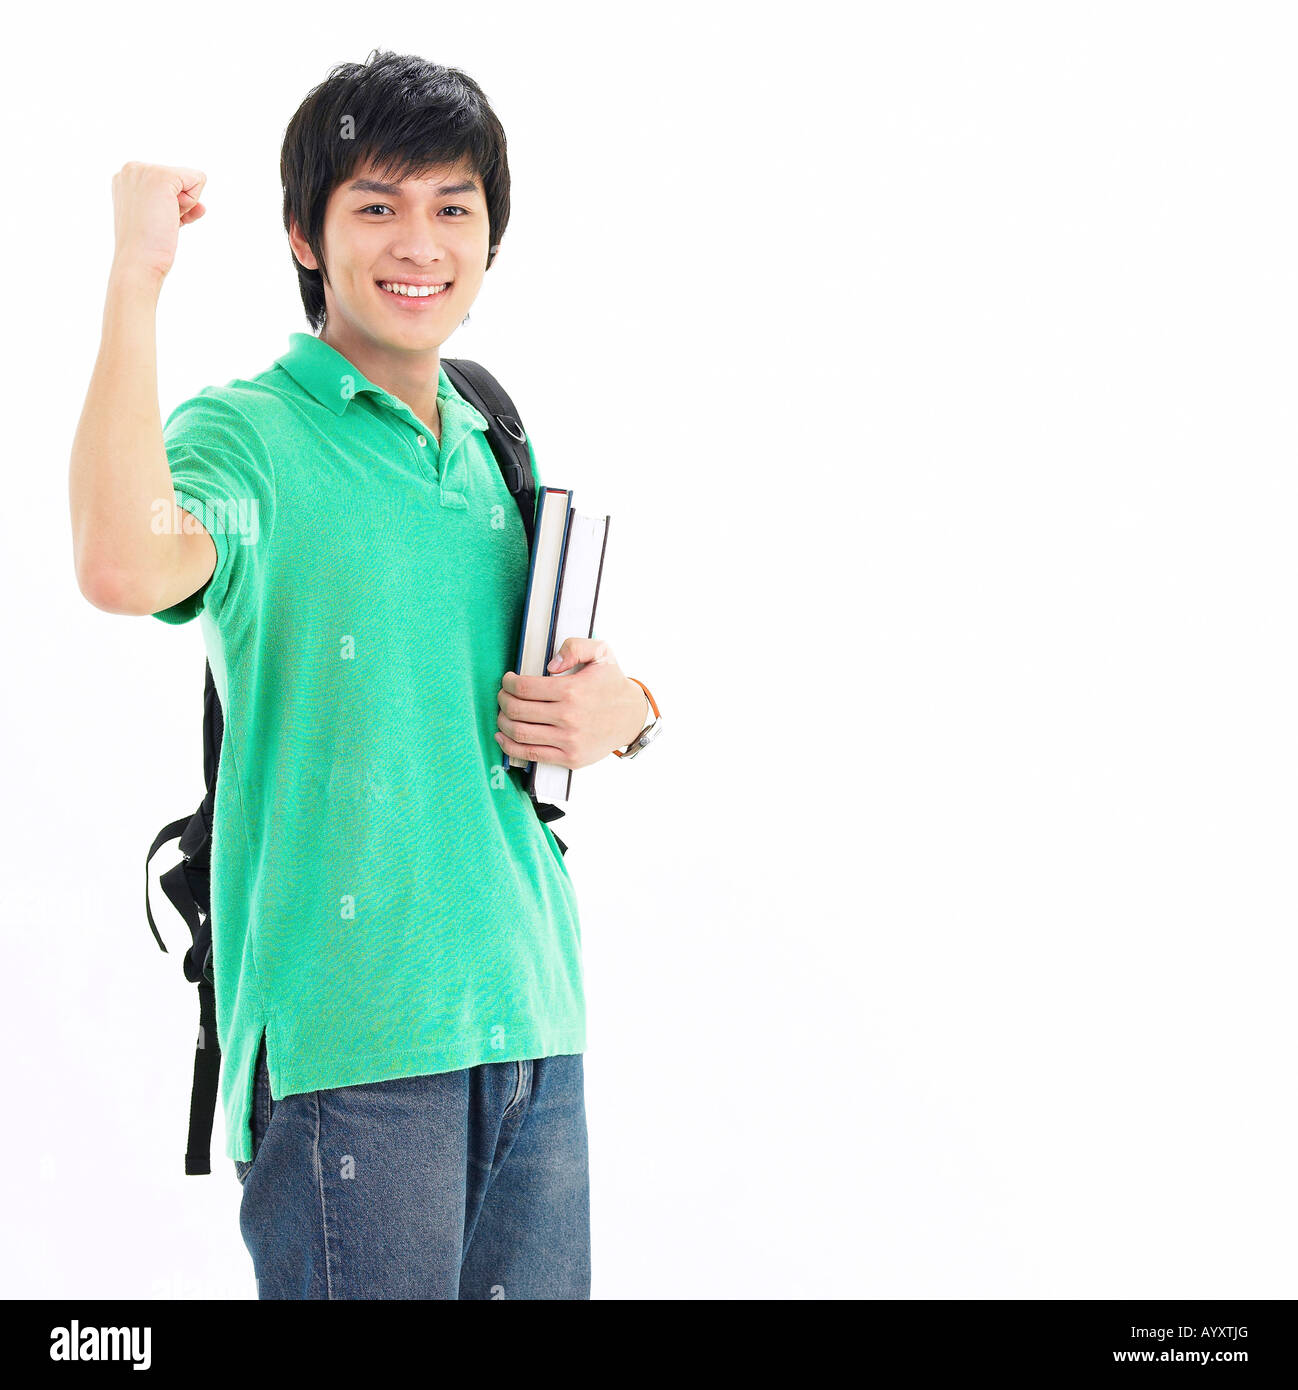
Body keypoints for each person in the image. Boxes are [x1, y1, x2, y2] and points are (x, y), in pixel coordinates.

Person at [68, 50, 657, 1300]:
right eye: (376, 205)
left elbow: (529, 701)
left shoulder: (493, 428)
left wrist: (626, 712)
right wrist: (135, 276)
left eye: (453, 207)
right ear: (306, 232)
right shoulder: (248, 436)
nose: (419, 242)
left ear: (492, 237)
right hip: (352, 1046)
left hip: (533, 1018)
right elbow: (122, 564)